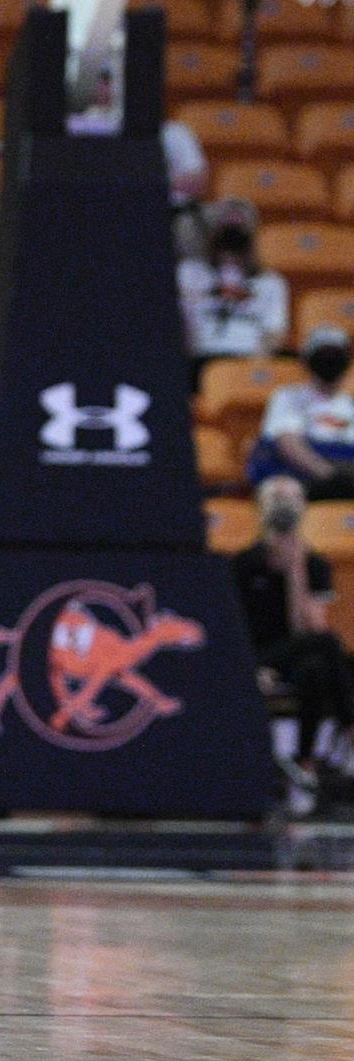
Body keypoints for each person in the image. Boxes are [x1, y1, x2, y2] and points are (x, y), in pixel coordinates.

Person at [232, 475, 348, 817]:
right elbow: (234, 628)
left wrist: (295, 572)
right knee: (328, 646)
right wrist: (253, 668)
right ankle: (351, 726)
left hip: (295, 655)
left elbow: (307, 629)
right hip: (255, 656)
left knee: (316, 666)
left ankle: (304, 766)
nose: (284, 506)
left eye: (292, 498)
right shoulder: (243, 563)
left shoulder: (314, 564)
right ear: (261, 507)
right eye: (276, 498)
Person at [178, 202, 288, 376]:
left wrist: (252, 367)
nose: (232, 237)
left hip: (246, 359)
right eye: (227, 227)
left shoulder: (270, 282)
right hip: (201, 358)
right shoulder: (190, 273)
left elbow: (274, 332)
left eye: (239, 229)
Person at [248, 326, 354, 498]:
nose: (329, 361)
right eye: (323, 355)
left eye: (336, 355)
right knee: (283, 491)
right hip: (303, 474)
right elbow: (287, 443)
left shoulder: (350, 404)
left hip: (346, 472)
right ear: (307, 360)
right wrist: (330, 475)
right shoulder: (289, 397)